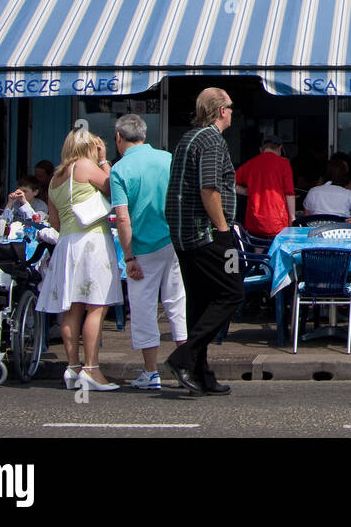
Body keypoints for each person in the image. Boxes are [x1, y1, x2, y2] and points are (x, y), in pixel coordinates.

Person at [163, 87, 243, 397]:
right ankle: (184, 357)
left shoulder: (188, 138)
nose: (233, 112)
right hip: (206, 233)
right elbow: (208, 188)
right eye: (231, 106)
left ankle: (199, 372)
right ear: (221, 110)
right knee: (232, 292)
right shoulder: (211, 140)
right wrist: (223, 230)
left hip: (183, 235)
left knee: (200, 301)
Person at [35, 128, 122, 393]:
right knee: (97, 306)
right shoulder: (84, 166)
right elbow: (113, 188)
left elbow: (55, 221)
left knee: (71, 308)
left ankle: (72, 367)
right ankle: (92, 369)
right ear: (90, 148)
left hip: (67, 245)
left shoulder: (55, 178)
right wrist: (105, 160)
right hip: (92, 241)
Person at [110, 113, 186, 391]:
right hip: (173, 242)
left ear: (119, 137)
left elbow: (122, 218)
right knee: (177, 304)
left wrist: (128, 256)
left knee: (143, 309)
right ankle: (185, 367)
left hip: (142, 247)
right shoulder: (167, 159)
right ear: (144, 135)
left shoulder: (119, 169)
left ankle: (151, 372)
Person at [235, 136, 295, 237]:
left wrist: (246, 191)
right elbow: (289, 193)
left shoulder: (251, 164)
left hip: (254, 220)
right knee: (277, 249)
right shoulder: (283, 164)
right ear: (279, 148)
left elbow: (228, 182)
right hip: (277, 220)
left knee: (257, 247)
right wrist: (292, 217)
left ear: (261, 149)